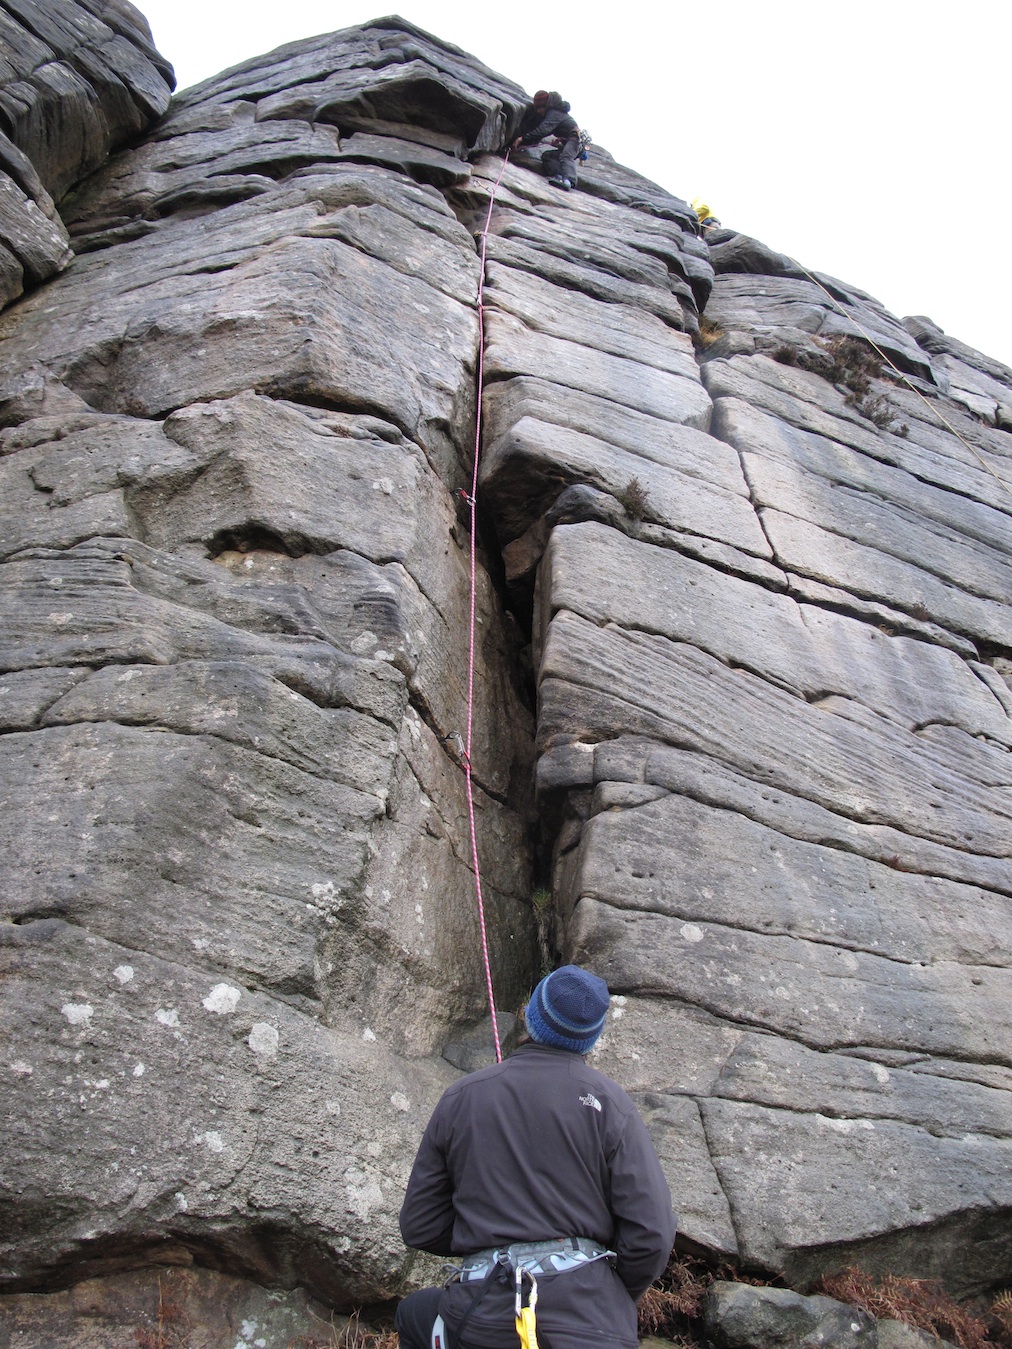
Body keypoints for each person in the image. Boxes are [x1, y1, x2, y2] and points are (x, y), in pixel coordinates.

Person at [396, 965, 676, 1349]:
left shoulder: (461, 1097)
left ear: (530, 1014)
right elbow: (653, 1233)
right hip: (592, 1322)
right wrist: (603, 1287)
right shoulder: (610, 1103)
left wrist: (489, 1242)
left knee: (414, 1315)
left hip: (484, 1315)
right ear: (590, 1039)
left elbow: (420, 1225)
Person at [511, 90, 581, 192]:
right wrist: (561, 140)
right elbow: (548, 130)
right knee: (548, 156)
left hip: (575, 139)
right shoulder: (556, 113)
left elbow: (543, 130)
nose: (538, 111)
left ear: (546, 105)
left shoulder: (555, 113)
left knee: (566, 156)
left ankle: (568, 181)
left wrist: (522, 138)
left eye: (540, 108)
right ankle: (558, 176)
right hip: (569, 140)